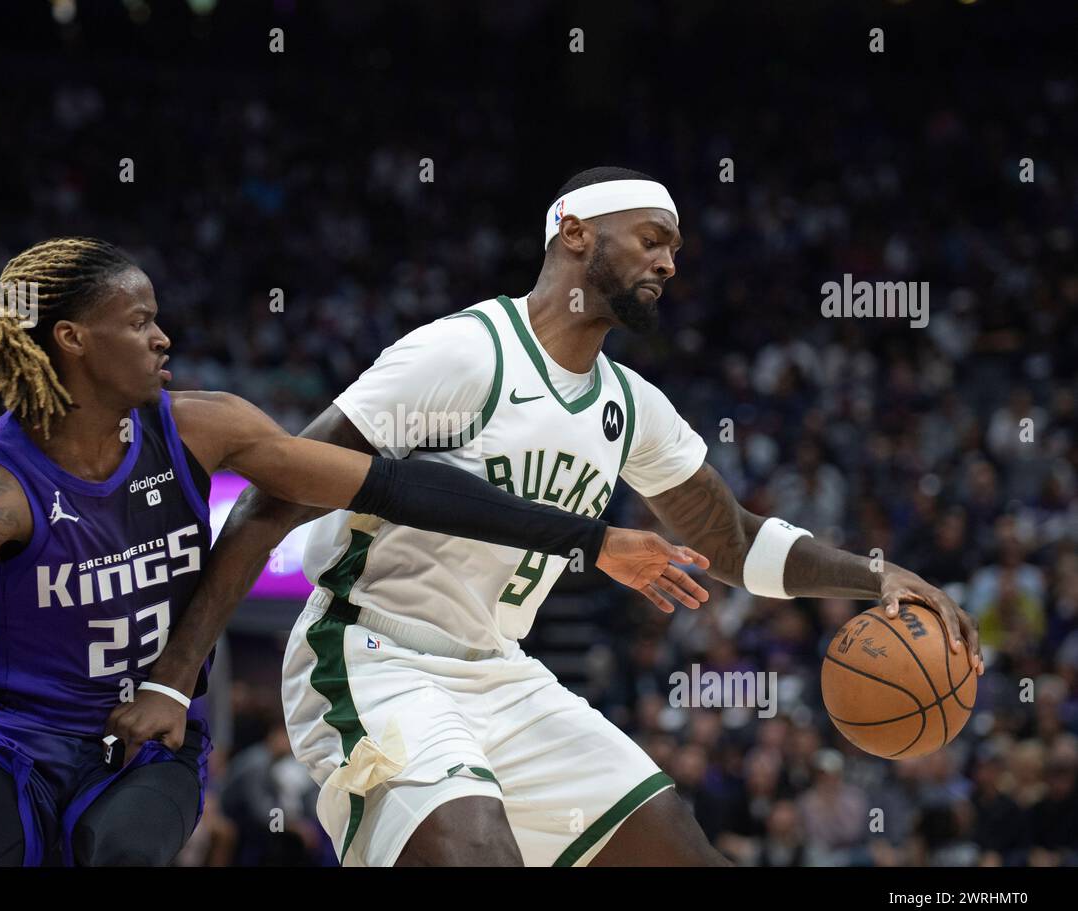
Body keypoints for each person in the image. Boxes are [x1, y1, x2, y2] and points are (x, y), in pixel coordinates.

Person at [111, 168, 984, 867]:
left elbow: (731, 540)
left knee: (678, 848)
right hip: (373, 655)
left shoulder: (631, 406)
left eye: (676, 248)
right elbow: (276, 493)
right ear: (574, 234)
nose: (671, 262)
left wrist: (874, 574)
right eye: (652, 239)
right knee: (472, 849)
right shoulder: (461, 353)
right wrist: (172, 677)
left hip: (499, 671)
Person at [0, 236, 709, 866]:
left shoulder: (203, 427)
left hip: (147, 744)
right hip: (20, 741)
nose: (162, 337)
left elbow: (395, 487)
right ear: (73, 339)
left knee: (119, 851)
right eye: (140, 322)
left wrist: (590, 537)